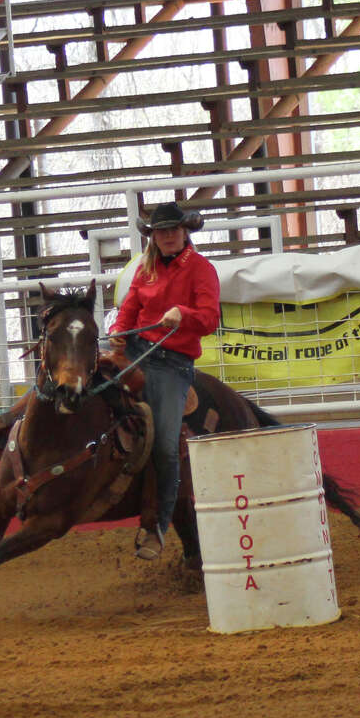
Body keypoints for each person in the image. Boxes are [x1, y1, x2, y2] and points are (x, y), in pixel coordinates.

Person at [110, 200, 220, 560]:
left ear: (185, 232)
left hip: (173, 365)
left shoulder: (202, 270)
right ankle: (2, 431)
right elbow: (129, 308)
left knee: (166, 444)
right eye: (162, 231)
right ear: (153, 237)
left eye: (174, 229)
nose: (169, 236)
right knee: (87, 385)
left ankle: (157, 526)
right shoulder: (146, 269)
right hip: (138, 350)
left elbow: (209, 318)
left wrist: (182, 315)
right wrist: (118, 332)